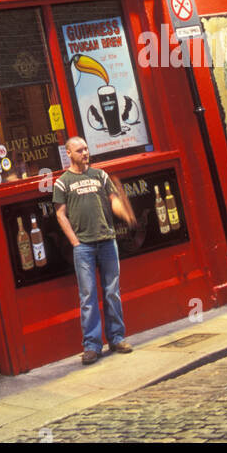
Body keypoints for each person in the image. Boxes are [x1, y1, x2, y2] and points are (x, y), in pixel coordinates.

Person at [53, 136, 137, 365]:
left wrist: (125, 214)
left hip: (108, 240)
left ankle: (117, 338)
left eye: (86, 149)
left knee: (112, 291)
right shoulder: (63, 182)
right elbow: (60, 214)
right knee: (88, 296)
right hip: (84, 247)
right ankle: (91, 346)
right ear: (69, 153)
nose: (85, 153)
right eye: (79, 150)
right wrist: (75, 242)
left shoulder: (100, 175)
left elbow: (113, 201)